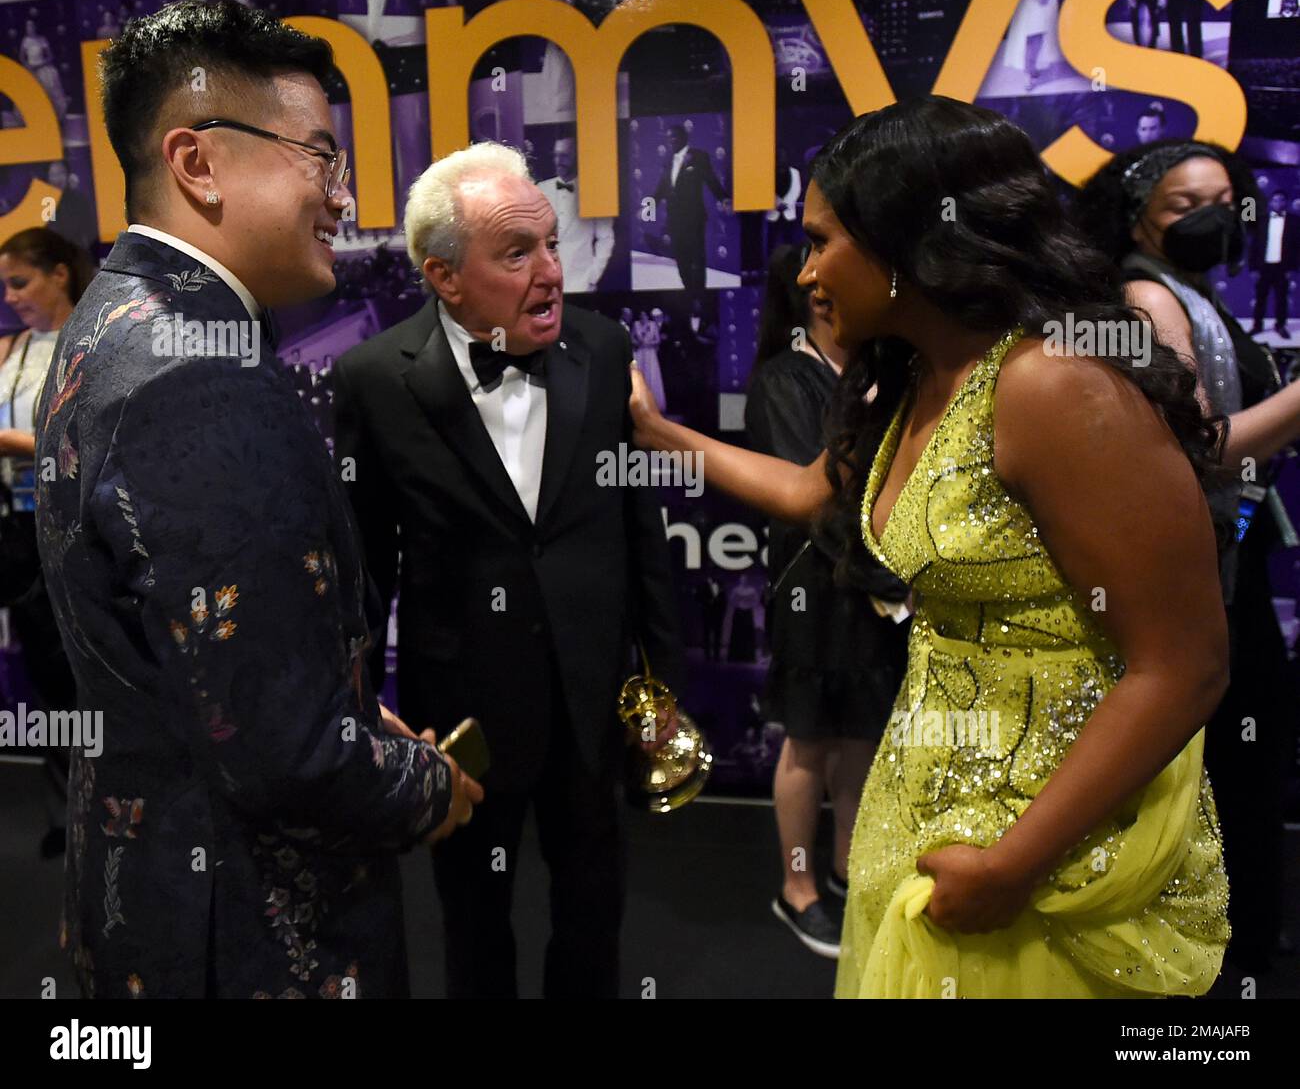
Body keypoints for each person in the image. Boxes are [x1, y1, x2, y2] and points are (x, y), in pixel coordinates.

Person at [631, 96, 1231, 998]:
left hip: (1051, 827)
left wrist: (1015, 864)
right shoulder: (916, 377)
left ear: (911, 246)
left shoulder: (1053, 387)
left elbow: (1183, 666)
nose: (807, 273)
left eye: (826, 241)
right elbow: (808, 492)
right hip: (927, 786)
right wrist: (655, 433)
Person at [33, 0, 478, 1000]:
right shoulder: (204, 374)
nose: (341, 194)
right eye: (320, 158)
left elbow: (206, 664)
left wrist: (350, 707)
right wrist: (429, 787)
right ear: (198, 163)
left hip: (147, 903)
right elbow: (284, 755)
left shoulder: (112, 316)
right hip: (247, 933)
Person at [332, 141, 683, 999]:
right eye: (518, 253)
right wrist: (364, 719)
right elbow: (367, 567)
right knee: (472, 923)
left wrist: (661, 686)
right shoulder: (373, 379)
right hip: (462, 714)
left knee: (594, 914)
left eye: (553, 245)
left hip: (593, 698)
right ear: (444, 276)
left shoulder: (603, 353)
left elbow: (643, 532)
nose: (552, 272)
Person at [1076, 140, 1300, 973]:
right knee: (1231, 770)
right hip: (1196, 577)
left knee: (1249, 762)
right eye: (1181, 204)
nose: (1208, 217)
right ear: (1136, 214)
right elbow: (1201, 450)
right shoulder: (1145, 296)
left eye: (1222, 199)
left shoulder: (1194, 294)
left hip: (1228, 561)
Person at [746, 244, 909, 958]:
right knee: (808, 742)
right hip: (811, 587)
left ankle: (846, 868)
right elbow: (807, 495)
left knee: (862, 737)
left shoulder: (887, 370)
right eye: (807, 286)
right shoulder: (782, 379)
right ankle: (798, 889)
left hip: (883, 586)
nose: (822, 294)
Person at [0, 227, 92, 860]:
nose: (10, 298)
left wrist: (9, 445)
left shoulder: (95, 345)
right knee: (44, 682)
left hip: (81, 531)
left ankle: (116, 809)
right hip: (16, 533)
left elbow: (85, 446)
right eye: (5, 285)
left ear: (60, 274)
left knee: (89, 673)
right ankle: (69, 813)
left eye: (20, 281)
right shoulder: (10, 349)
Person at [654, 124, 727, 293]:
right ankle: (690, 291)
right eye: (668, 137)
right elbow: (660, 190)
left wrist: (724, 198)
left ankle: (700, 292)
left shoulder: (699, 157)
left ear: (683, 137)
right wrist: (646, 210)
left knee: (698, 259)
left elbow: (711, 180)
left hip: (694, 219)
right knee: (681, 260)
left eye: (674, 136)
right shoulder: (668, 161)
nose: (671, 140)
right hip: (675, 221)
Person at [535, 135, 614, 292]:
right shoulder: (541, 189)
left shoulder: (595, 191)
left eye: (564, 155)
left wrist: (592, 278)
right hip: (547, 283)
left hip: (581, 283)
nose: (558, 161)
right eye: (556, 155)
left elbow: (606, 239)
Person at [1249, 190, 1298, 339]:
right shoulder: (1261, 220)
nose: (1278, 203)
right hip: (1264, 267)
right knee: (1261, 298)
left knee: (1281, 299)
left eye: (1281, 200)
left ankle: (1280, 325)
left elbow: (1297, 247)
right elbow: (1254, 246)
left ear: (1286, 203)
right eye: (1275, 200)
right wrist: (1253, 267)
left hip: (1282, 268)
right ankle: (1257, 326)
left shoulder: (1294, 221)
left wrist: (1292, 268)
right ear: (1271, 202)